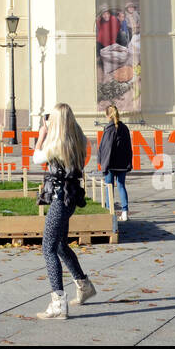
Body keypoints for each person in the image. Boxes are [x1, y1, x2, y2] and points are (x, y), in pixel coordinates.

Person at [32, 103, 96, 319]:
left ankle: (58, 302)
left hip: (60, 201)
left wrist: (42, 134)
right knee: (60, 245)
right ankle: (84, 285)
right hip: (70, 199)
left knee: (48, 248)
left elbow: (36, 158)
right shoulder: (77, 141)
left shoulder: (55, 144)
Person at [98, 104, 131, 222]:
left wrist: (103, 165)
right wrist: (128, 163)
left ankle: (110, 212)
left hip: (110, 164)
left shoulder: (109, 129)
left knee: (109, 187)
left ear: (107, 115)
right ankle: (125, 212)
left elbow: (106, 149)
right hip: (122, 164)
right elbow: (129, 147)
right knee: (121, 186)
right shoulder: (124, 128)